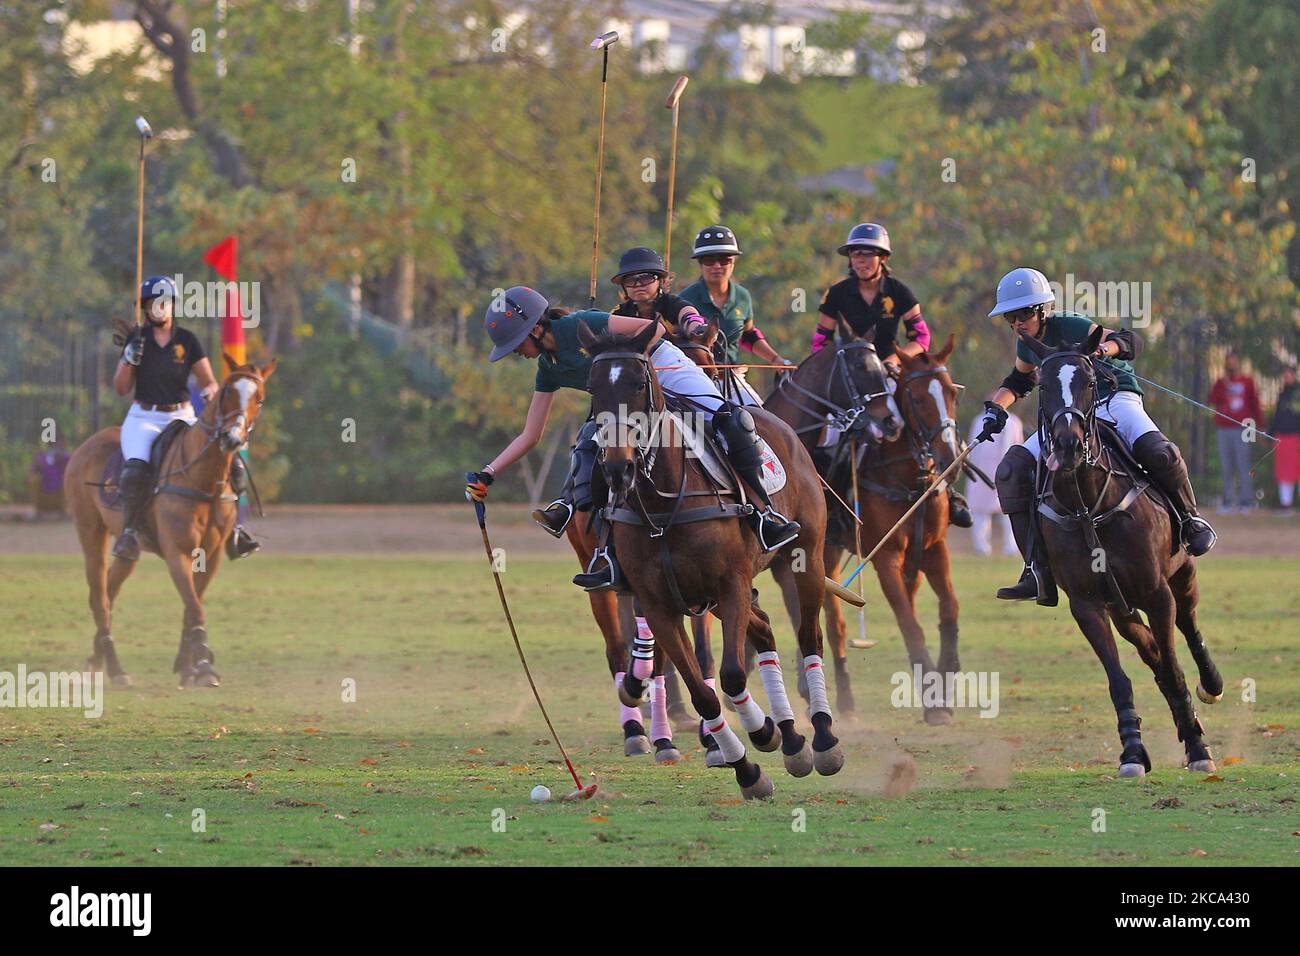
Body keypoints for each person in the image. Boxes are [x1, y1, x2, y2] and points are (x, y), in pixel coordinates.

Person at [466, 285, 800, 591]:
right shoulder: (548, 368)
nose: (516, 353)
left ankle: (764, 516)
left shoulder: (581, 323)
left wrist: (631, 360)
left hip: (661, 364)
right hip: (625, 399)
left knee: (728, 420)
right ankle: (607, 554)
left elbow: (655, 329)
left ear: (537, 328)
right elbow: (531, 433)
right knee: (594, 450)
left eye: (516, 344)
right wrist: (489, 472)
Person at [974, 267, 1216, 605]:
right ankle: (1035, 570)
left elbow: (1131, 341)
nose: (1016, 322)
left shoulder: (1070, 325)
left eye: (1023, 313)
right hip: (1069, 413)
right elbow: (1019, 380)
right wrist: (995, 410)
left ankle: (1190, 520)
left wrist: (1102, 351)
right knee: (1011, 470)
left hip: (1114, 398)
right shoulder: (1027, 343)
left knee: (1160, 453)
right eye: (1010, 317)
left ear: (1044, 309)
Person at [811, 222, 971, 527]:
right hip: (849, 379)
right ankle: (831, 504)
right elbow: (821, 341)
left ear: (882, 258)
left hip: (889, 372)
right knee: (830, 436)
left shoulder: (898, 292)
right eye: (856, 254)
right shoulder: (837, 294)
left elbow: (921, 337)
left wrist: (895, 361)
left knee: (926, 417)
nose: (860, 260)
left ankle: (950, 493)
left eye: (868, 254)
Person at [112, 276, 260, 561]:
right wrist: (129, 359)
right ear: (145, 308)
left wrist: (210, 395)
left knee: (234, 465)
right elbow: (121, 388)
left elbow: (209, 382)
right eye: (153, 303)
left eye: (164, 302)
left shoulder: (187, 341)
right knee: (134, 472)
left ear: (173, 305)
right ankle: (130, 533)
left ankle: (235, 531)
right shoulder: (137, 340)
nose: (159, 308)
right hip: (144, 417)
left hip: (182, 415)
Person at [677, 225, 793, 403]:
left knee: (761, 421)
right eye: (709, 260)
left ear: (733, 262)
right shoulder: (684, 300)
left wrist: (776, 360)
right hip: (696, 379)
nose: (717, 266)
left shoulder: (742, 296)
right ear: (699, 262)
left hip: (732, 380)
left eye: (724, 259)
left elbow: (748, 336)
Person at [964, 399, 1023, 556]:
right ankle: (981, 547)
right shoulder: (979, 421)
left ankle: (1012, 546)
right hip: (981, 472)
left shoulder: (1014, 422)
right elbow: (973, 445)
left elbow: (1018, 445)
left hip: (1007, 471)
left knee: (1010, 509)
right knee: (979, 510)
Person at [1209, 352, 1263, 513]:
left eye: (1234, 361)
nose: (1231, 364)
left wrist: (1260, 425)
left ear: (1238, 363)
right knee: (1226, 465)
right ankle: (1228, 500)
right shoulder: (1221, 382)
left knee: (1244, 463)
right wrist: (1222, 384)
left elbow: (1255, 403)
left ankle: (1247, 501)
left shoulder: (1247, 381)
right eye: (1229, 362)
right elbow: (1212, 399)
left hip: (1244, 426)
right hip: (1224, 427)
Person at [1271, 366, 1300, 514]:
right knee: (1284, 472)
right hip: (1282, 438)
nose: (1287, 377)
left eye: (1289, 375)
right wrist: (1271, 432)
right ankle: (1285, 504)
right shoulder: (1282, 394)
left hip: (1297, 437)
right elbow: (1277, 416)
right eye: (1285, 375)